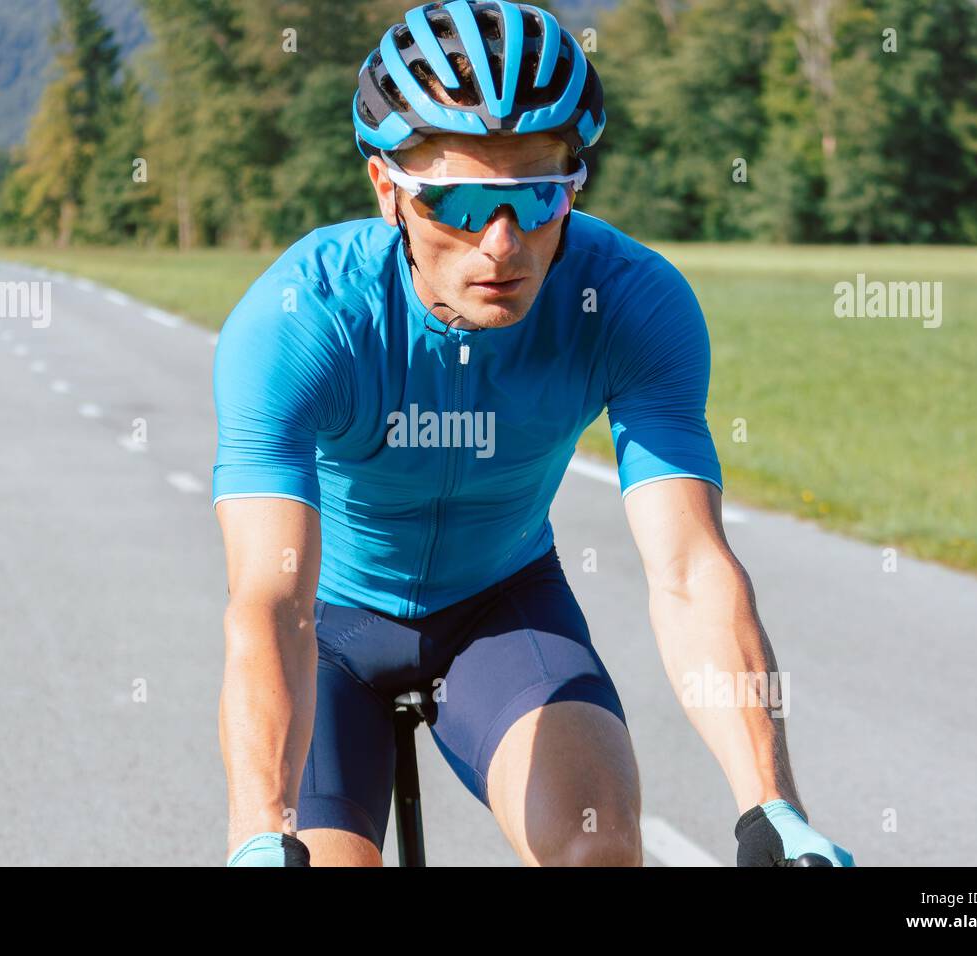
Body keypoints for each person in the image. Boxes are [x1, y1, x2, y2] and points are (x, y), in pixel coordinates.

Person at [215, 0, 853, 867]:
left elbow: (691, 568)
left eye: (537, 195)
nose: (502, 244)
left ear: (573, 188)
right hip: (331, 625)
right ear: (386, 188)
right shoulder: (303, 319)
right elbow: (271, 598)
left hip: (502, 610)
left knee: (597, 853)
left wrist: (768, 805)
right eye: (461, 200)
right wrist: (262, 829)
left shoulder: (629, 301)